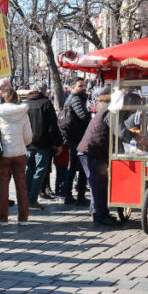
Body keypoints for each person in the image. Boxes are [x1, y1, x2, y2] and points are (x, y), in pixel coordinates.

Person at [77, 92, 126, 227]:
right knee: (98, 184)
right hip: (92, 151)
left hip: (93, 151)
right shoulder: (110, 112)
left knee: (98, 183)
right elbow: (120, 132)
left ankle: (99, 212)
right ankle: (100, 215)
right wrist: (136, 139)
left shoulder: (108, 111)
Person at [0, 86, 32, 223]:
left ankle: (3, 218)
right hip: (19, 153)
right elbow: (28, 137)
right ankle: (23, 218)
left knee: (2, 187)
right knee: (21, 186)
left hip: (2, 154)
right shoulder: (23, 113)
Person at [22, 82, 61, 211]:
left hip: (28, 143)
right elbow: (53, 126)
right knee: (39, 171)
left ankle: (26, 198)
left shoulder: (26, 104)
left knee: (29, 170)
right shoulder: (46, 104)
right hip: (42, 143)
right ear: (44, 92)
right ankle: (32, 199)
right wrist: (58, 143)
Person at [61, 77, 91, 206]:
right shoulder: (76, 99)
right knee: (81, 167)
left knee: (73, 167)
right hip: (77, 138)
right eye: (80, 86)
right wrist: (91, 116)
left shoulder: (72, 98)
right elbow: (83, 116)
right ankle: (79, 196)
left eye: (84, 85)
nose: (83, 88)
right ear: (73, 87)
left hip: (74, 137)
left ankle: (69, 195)